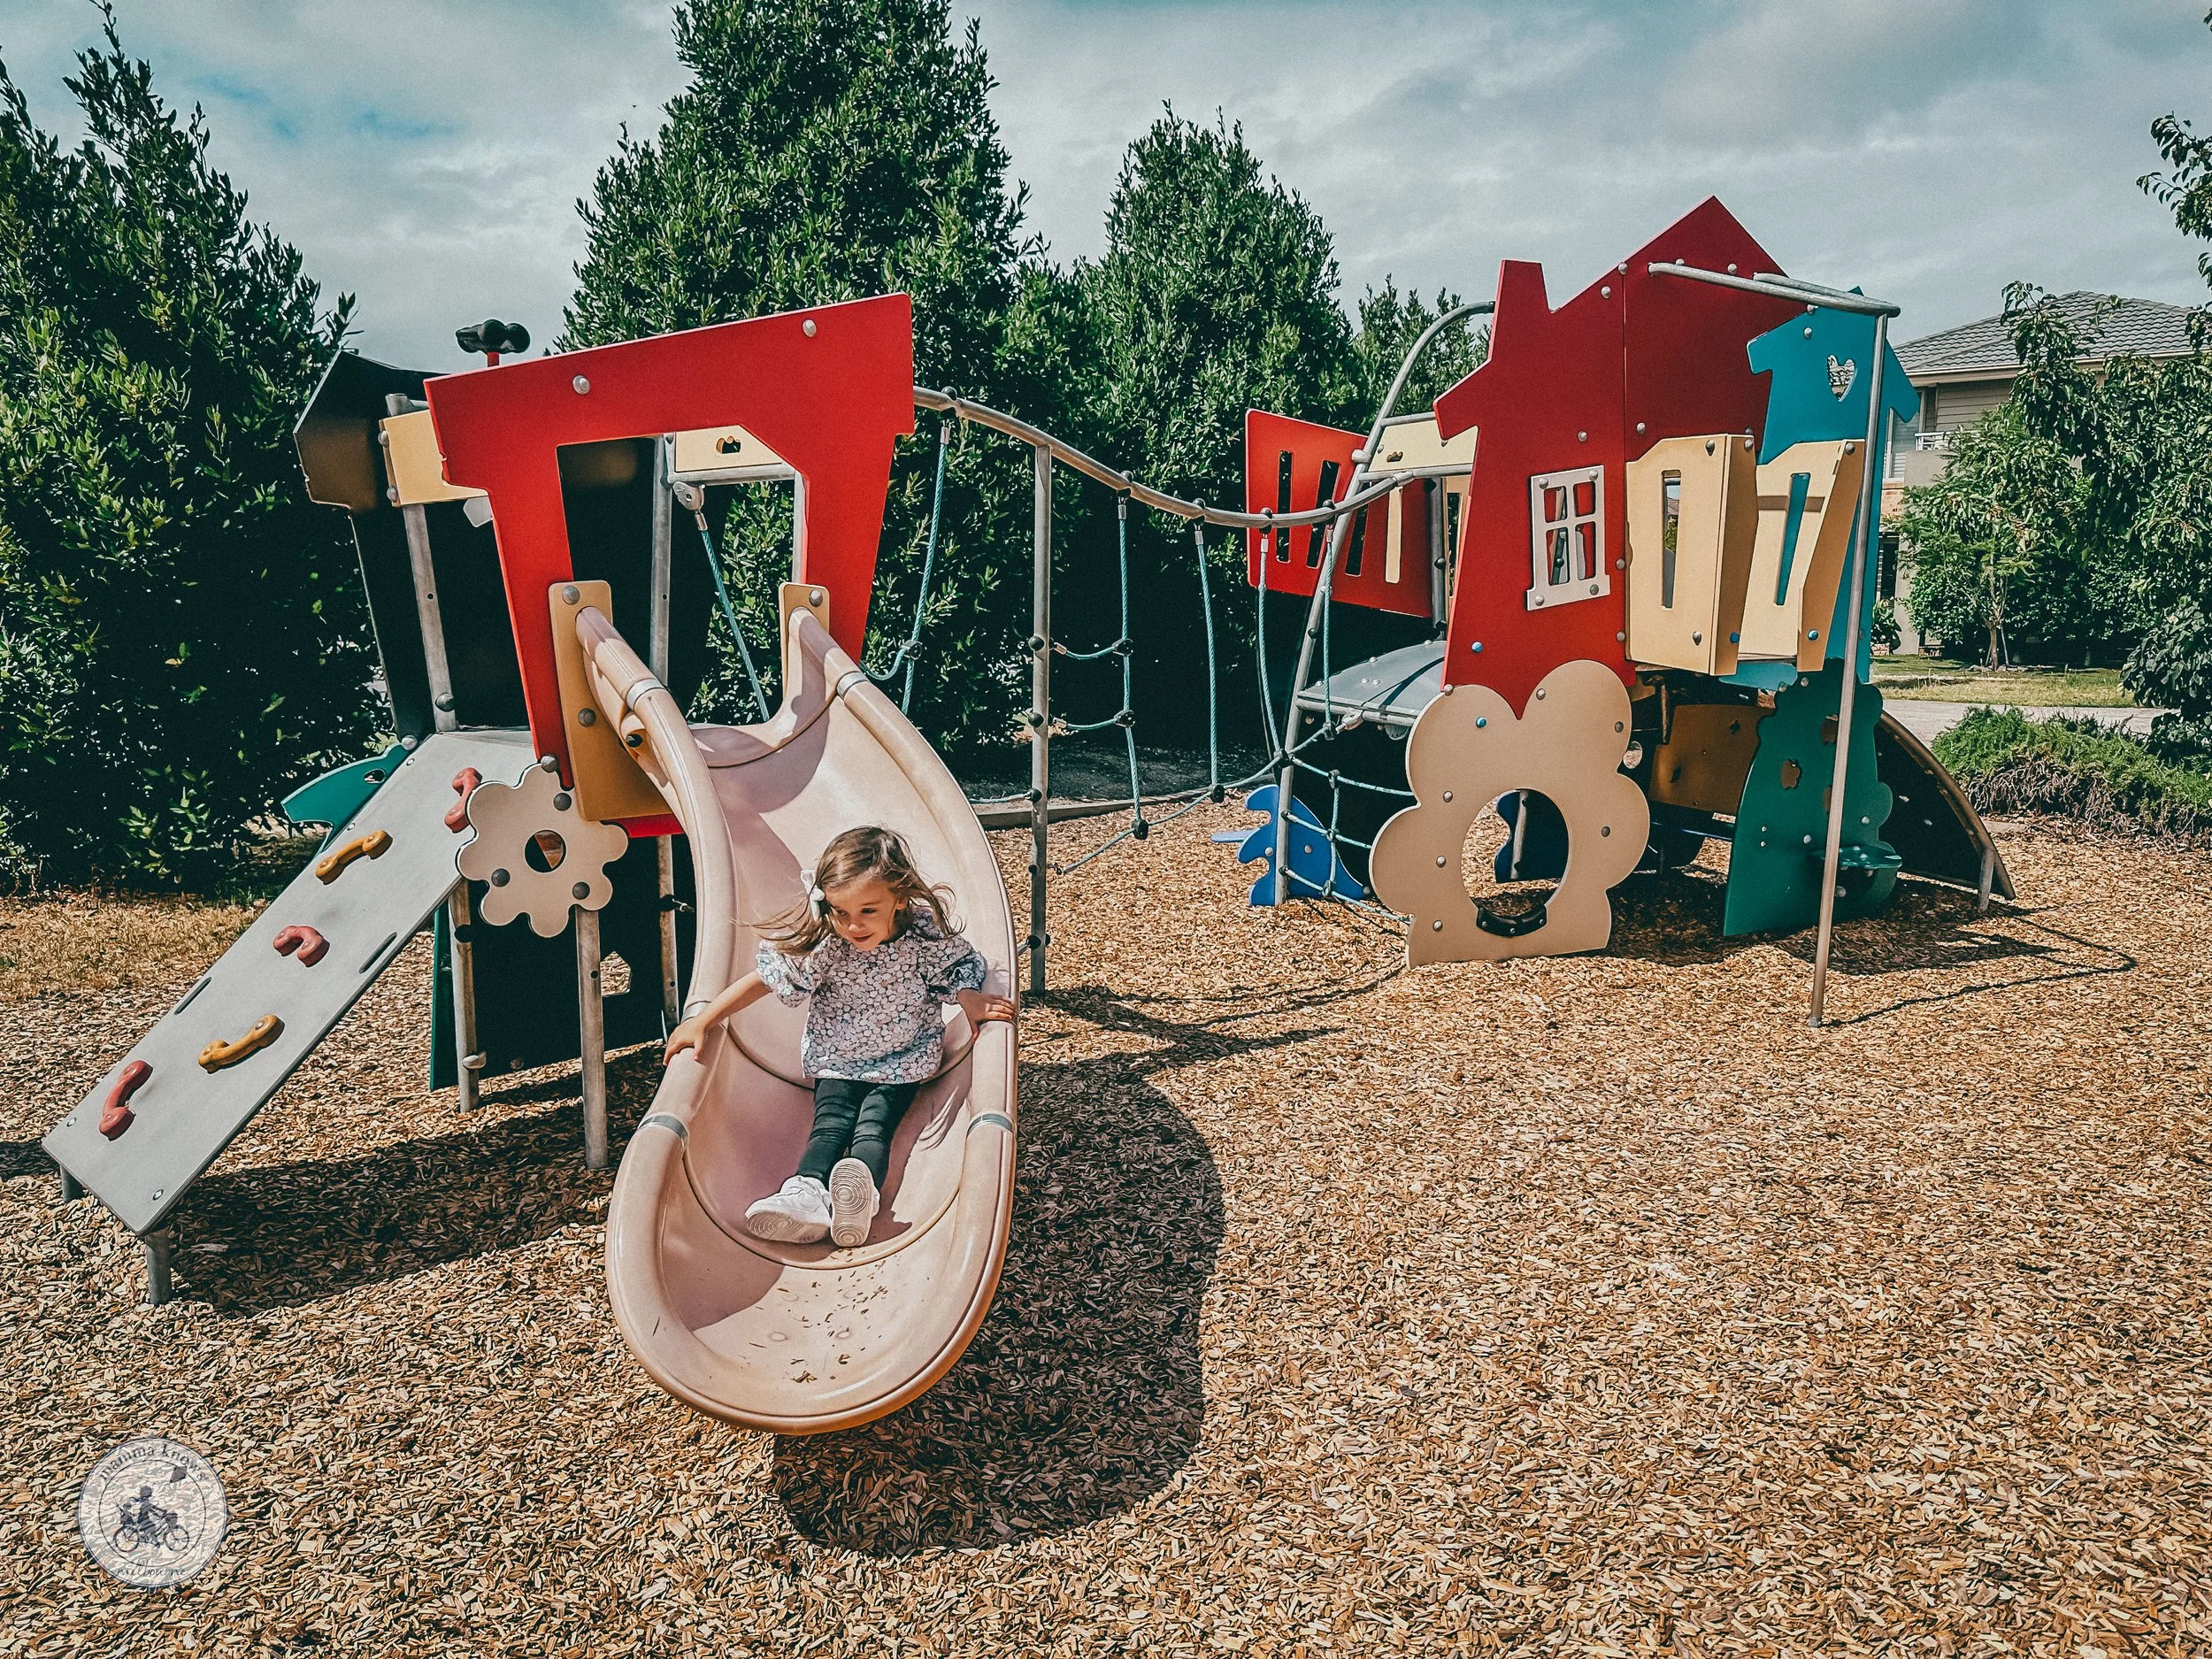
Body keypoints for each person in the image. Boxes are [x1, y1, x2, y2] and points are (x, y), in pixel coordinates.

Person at [664, 826, 1014, 1247]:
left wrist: (970, 999)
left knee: (874, 1127)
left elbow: (955, 970)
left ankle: (860, 1195)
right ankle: (805, 1191)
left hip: (901, 1061)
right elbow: (766, 979)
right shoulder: (828, 942)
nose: (853, 924)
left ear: (900, 897)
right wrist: (704, 1019)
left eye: (868, 910)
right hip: (838, 1059)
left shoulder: (923, 936)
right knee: (829, 1126)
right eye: (841, 912)